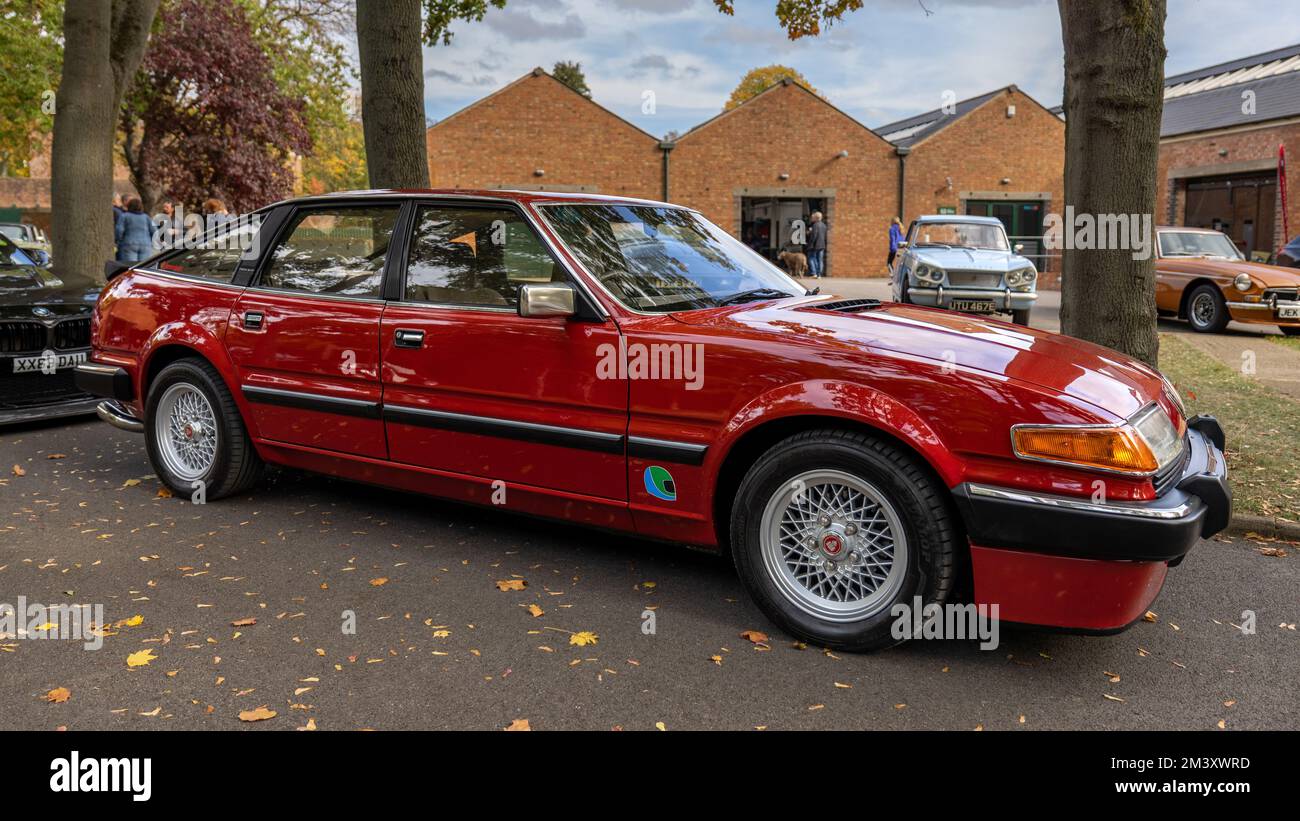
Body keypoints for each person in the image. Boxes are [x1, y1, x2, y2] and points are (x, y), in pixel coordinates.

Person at [115, 197, 155, 262]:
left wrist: (118, 240)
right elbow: (154, 231)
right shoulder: (146, 217)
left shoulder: (125, 216)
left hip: (128, 244)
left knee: (130, 267)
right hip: (145, 245)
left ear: (129, 206)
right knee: (143, 267)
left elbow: (119, 230)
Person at [806, 211, 827, 278]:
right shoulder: (824, 225)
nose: (812, 218)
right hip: (822, 245)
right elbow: (824, 236)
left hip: (815, 245)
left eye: (813, 217)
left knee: (811, 258)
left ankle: (814, 273)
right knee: (820, 260)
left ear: (816, 218)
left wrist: (810, 245)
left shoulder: (815, 225)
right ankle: (819, 274)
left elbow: (814, 236)